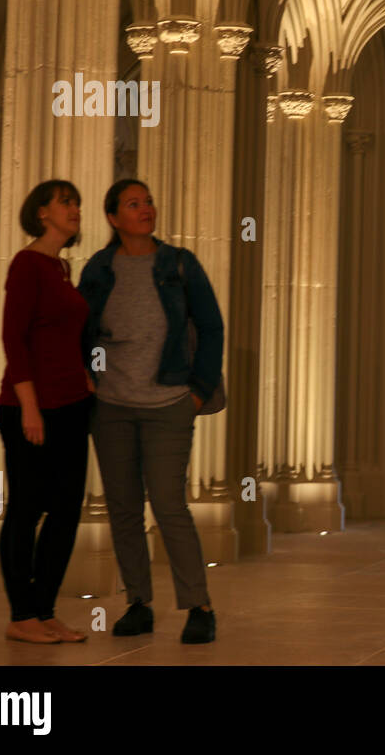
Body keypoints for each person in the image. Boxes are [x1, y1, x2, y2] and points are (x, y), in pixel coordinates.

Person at [77, 179, 223, 644]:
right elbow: (81, 332)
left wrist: (197, 391)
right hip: (112, 407)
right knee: (122, 508)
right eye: (134, 204)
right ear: (114, 218)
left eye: (149, 201)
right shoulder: (99, 269)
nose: (146, 209)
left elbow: (211, 325)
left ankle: (199, 605)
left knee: (168, 504)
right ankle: (138, 603)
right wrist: (87, 377)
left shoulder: (178, 263)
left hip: (167, 404)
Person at [0, 180, 94, 644]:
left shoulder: (61, 269)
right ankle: (21, 616)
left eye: (76, 202)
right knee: (27, 508)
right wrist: (31, 408)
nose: (74, 209)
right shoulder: (27, 264)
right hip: (30, 408)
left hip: (73, 406)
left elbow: (67, 338)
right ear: (41, 213)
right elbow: (14, 339)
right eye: (65, 202)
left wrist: (87, 380)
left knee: (67, 510)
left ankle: (44, 609)